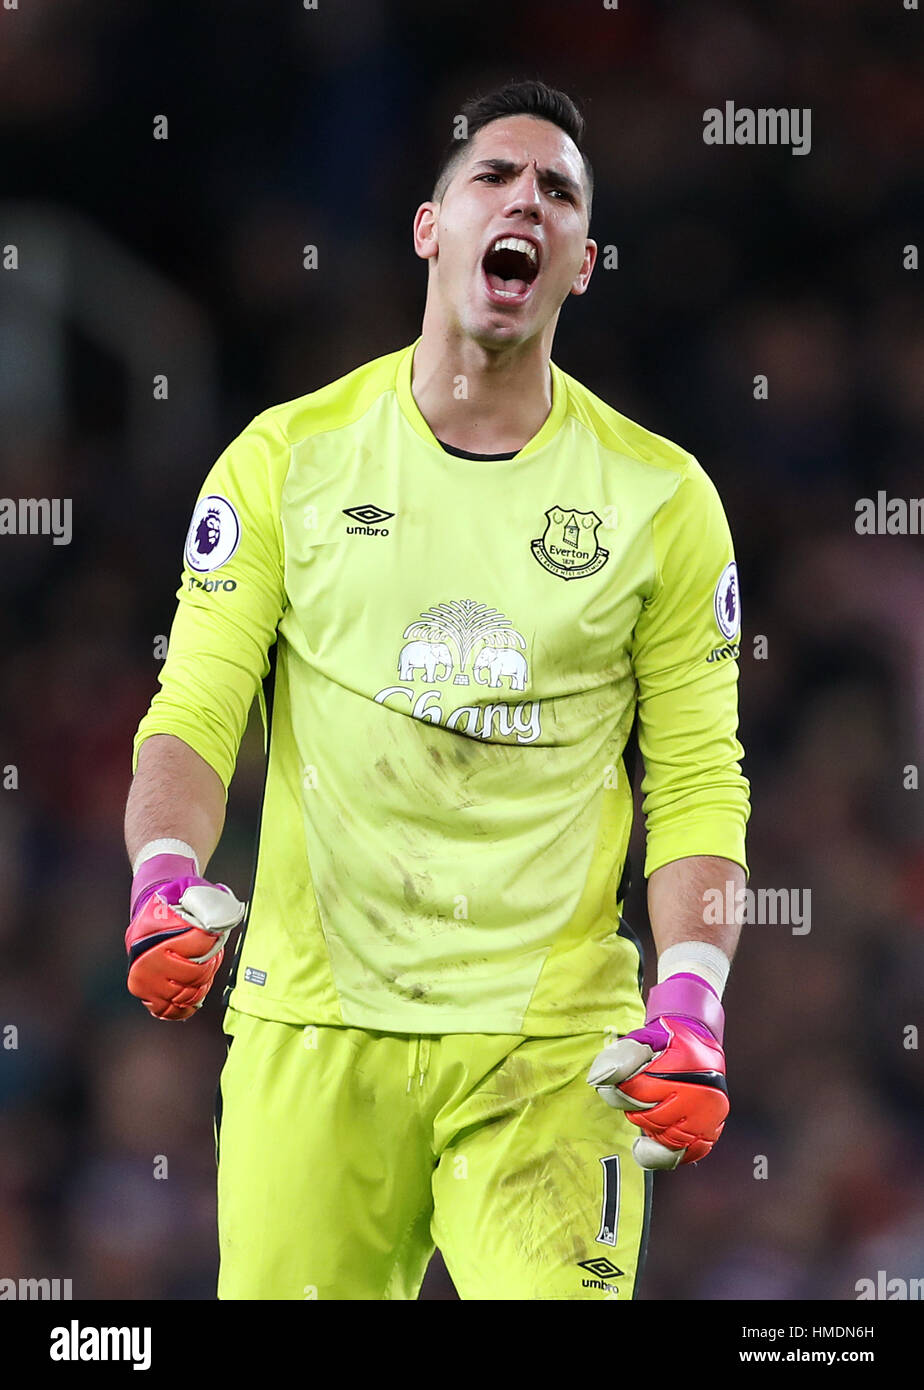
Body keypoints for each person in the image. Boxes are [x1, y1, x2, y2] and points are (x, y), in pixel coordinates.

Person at [124, 79, 749, 1301]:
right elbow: (196, 710)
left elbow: (696, 778)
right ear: (431, 228)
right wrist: (160, 875)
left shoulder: (664, 502)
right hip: (314, 1026)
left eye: (559, 193)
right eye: (495, 178)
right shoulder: (285, 460)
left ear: (583, 264)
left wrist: (694, 995)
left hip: (551, 1052)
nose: (527, 200)